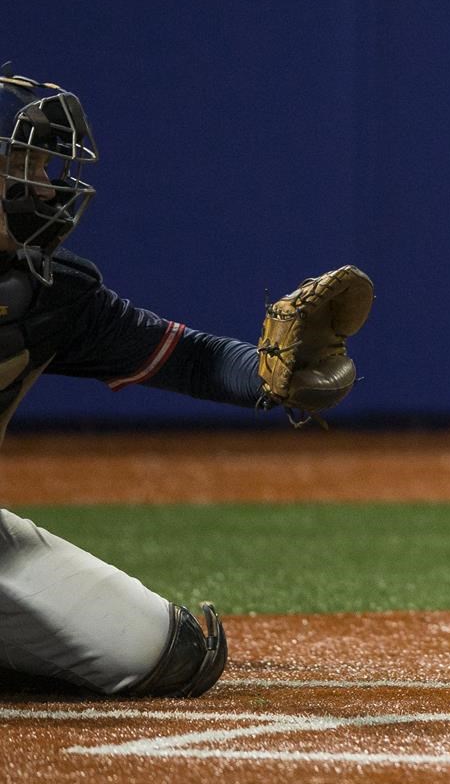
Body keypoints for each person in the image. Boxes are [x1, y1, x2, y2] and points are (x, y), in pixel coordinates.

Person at [0, 71, 371, 698]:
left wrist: (273, 375)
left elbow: (189, 358)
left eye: (42, 166)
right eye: (24, 165)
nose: (44, 186)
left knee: (163, 653)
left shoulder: (51, 294)